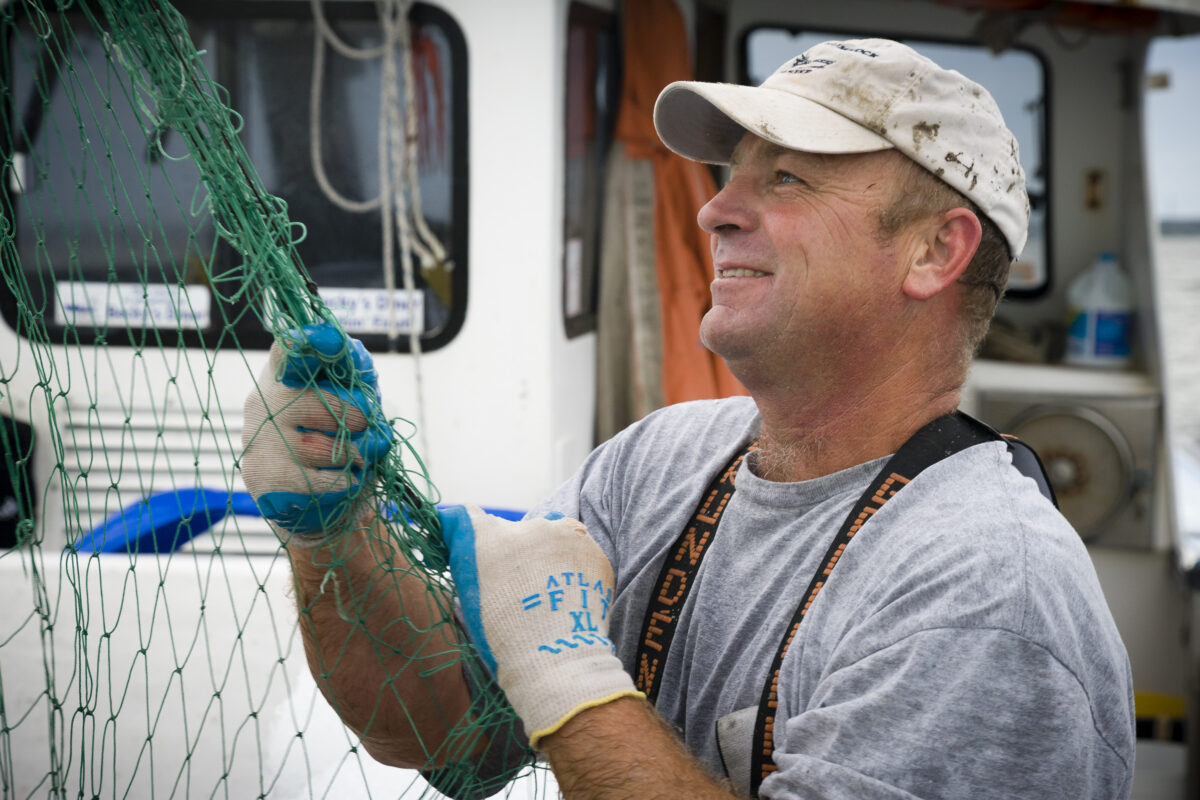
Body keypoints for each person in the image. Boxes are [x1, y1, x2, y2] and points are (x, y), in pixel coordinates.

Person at [241, 38, 1135, 799]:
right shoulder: (660, 460)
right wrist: (333, 532)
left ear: (936, 249)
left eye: (785, 178)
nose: (712, 210)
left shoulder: (986, 591)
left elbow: (547, 677)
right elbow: (450, 738)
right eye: (729, 175)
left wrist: (565, 669)